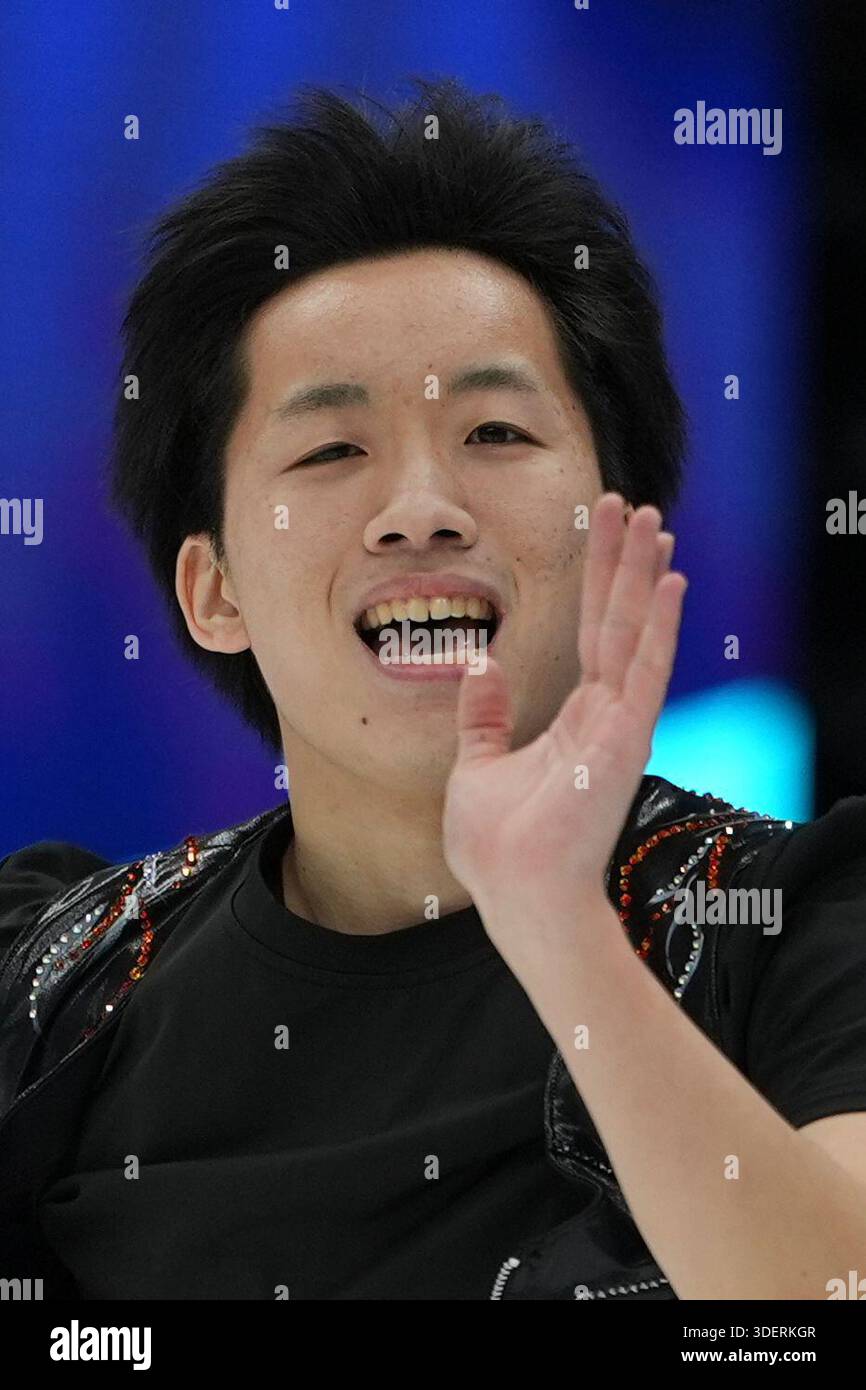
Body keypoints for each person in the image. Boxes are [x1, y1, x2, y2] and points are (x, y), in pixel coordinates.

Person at [2, 77, 866, 1303]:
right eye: (332, 449)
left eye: (497, 434)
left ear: (622, 524)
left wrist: (557, 926)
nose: (421, 509)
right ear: (213, 591)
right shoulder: (56, 980)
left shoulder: (795, 927)